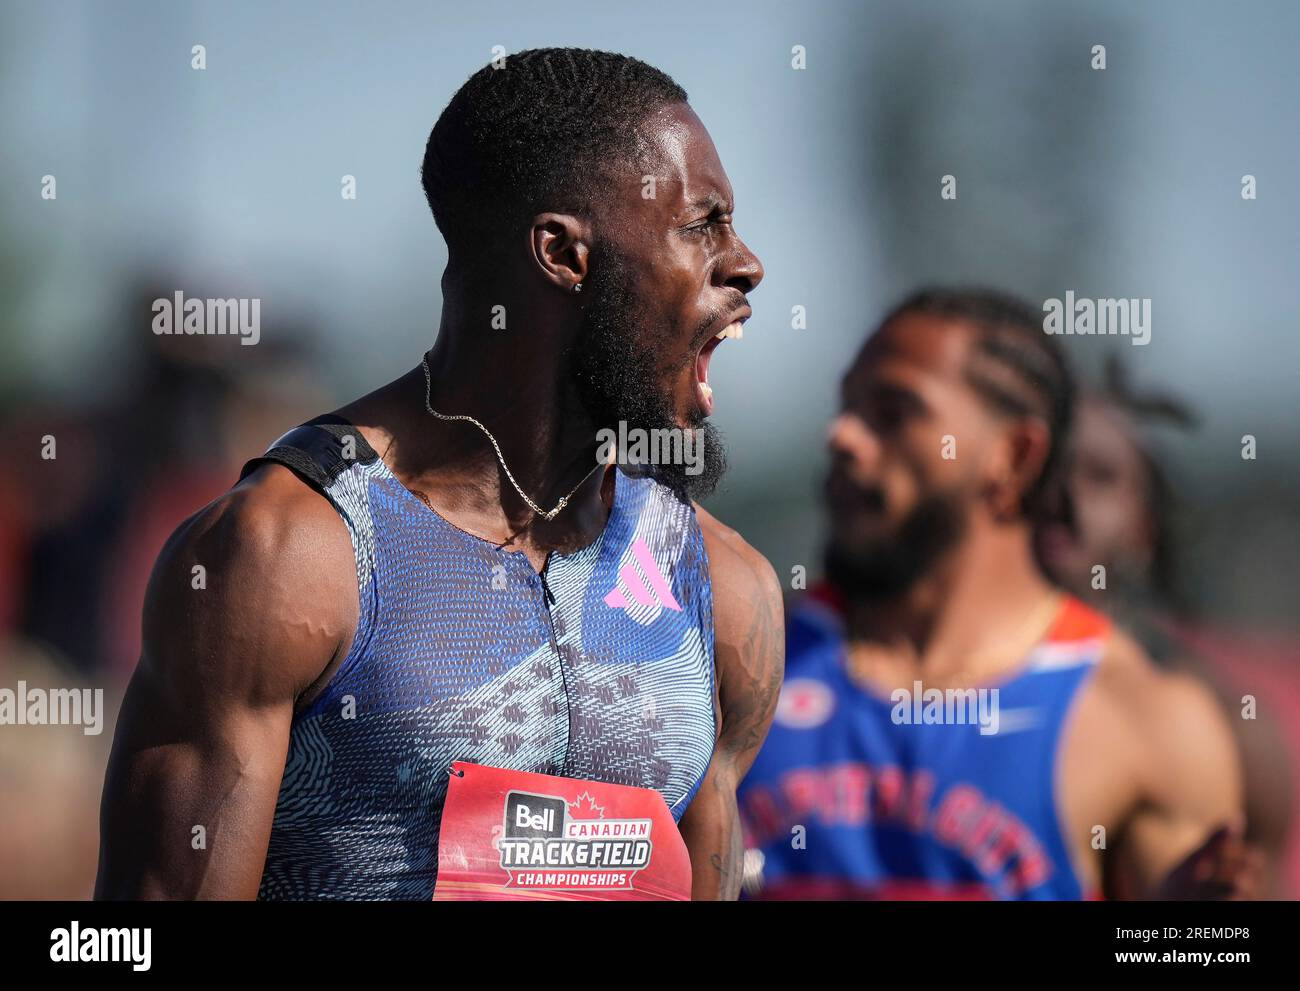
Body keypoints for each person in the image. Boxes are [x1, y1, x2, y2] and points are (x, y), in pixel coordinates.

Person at [96, 48, 783, 901]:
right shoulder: (284, 558)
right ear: (563, 254)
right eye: (703, 224)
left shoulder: (722, 592)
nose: (746, 262)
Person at [739, 288, 1249, 899]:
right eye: (846, 406)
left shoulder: (1148, 721)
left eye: (892, 411)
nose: (842, 436)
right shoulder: (738, 668)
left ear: (1013, 456)